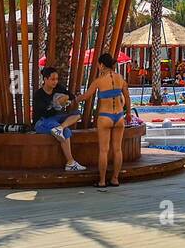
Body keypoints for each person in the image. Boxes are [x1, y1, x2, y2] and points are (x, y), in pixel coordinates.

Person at [81, 53, 131, 189]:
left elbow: (86, 96)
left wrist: (74, 99)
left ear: (102, 65)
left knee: (103, 150)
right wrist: (129, 114)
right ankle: (115, 179)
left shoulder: (99, 81)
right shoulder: (120, 78)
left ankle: (102, 181)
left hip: (105, 116)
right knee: (117, 149)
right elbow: (127, 96)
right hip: (119, 116)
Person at [32, 67, 85, 172]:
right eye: (52, 79)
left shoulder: (58, 88)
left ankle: (60, 127)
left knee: (77, 114)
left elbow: (71, 96)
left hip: (56, 120)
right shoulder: (39, 94)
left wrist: (64, 98)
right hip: (42, 121)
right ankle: (70, 162)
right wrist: (56, 104)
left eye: (56, 79)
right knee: (66, 131)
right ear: (45, 79)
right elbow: (43, 112)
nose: (55, 82)